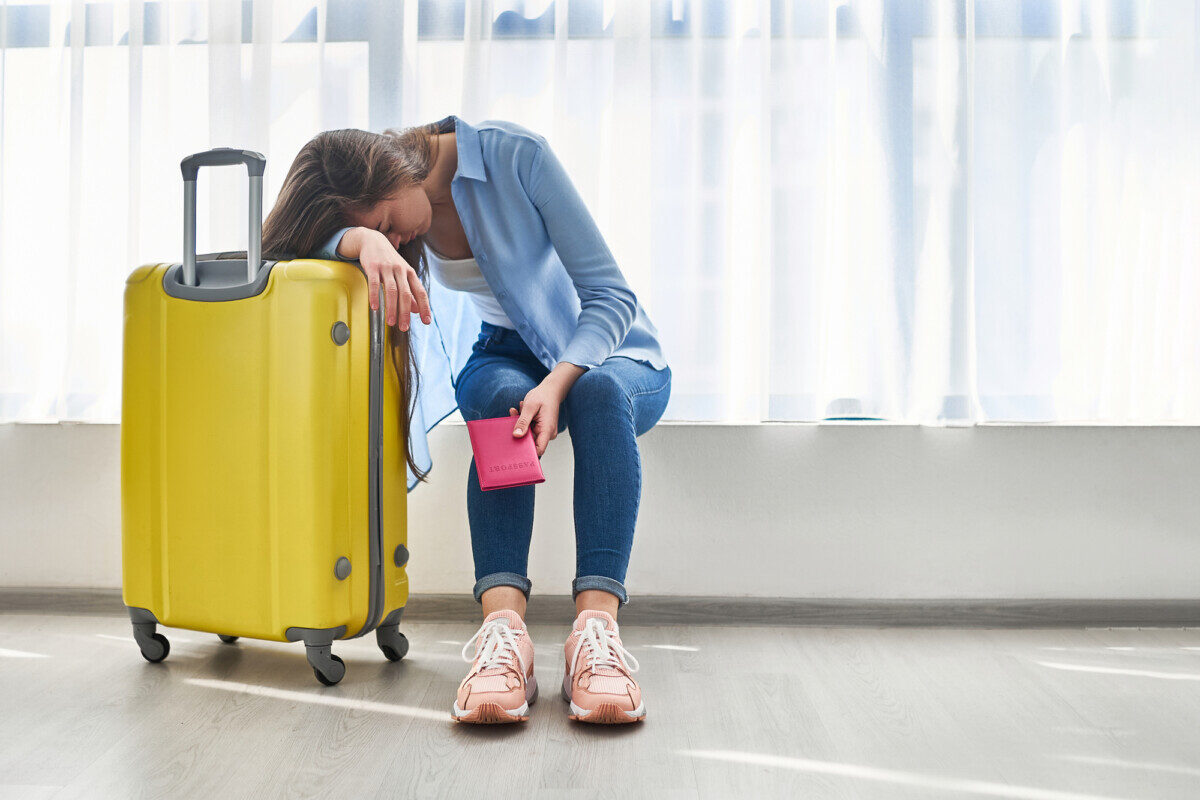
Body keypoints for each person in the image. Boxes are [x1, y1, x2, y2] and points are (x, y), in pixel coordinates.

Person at [261, 115, 671, 724]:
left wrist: (557, 382)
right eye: (380, 235)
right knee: (499, 402)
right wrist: (359, 241)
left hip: (613, 352)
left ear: (389, 172)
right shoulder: (387, 215)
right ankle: (505, 641)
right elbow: (286, 253)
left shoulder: (518, 158)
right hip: (504, 353)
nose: (394, 240)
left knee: (600, 393)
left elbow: (611, 297)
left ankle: (596, 637)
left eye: (384, 225)